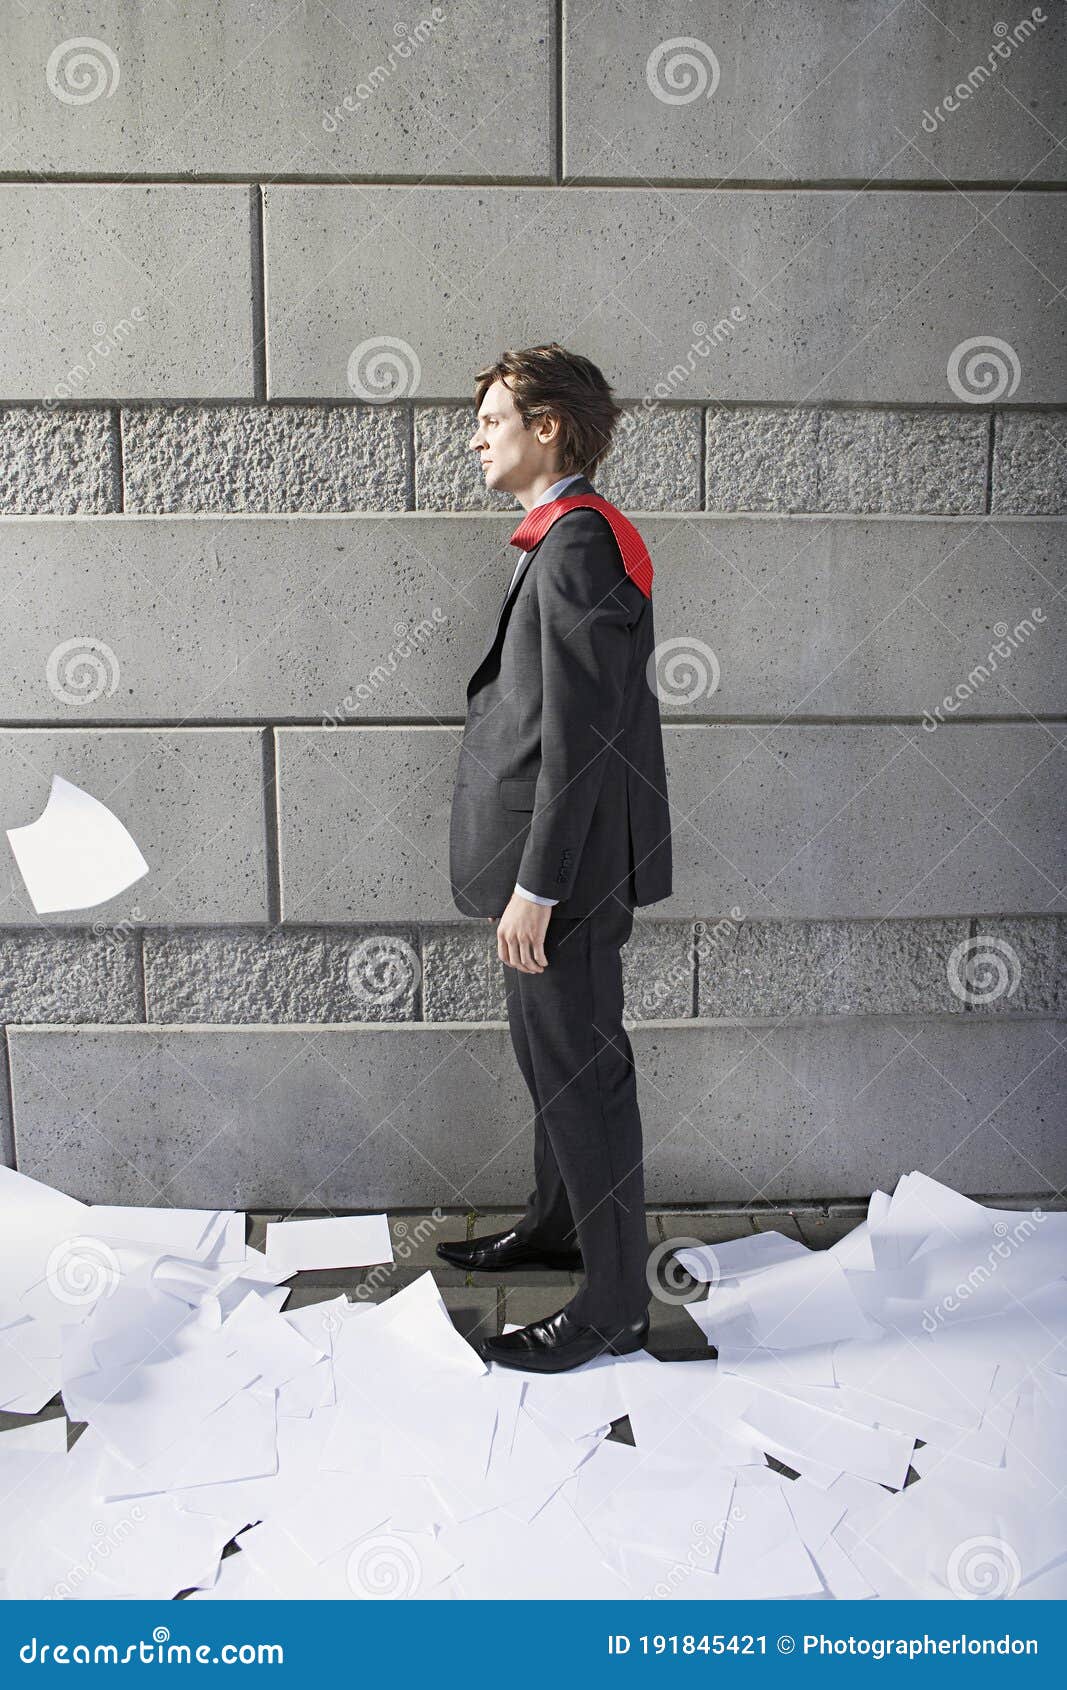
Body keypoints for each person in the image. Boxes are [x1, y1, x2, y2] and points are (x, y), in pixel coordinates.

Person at [440, 343, 673, 1373]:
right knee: (549, 1064)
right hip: (547, 876)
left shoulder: (578, 544)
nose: (475, 437)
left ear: (548, 426)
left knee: (582, 1076)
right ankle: (554, 1222)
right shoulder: (560, 538)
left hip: (561, 883)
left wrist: (535, 887)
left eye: (491, 419)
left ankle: (615, 1304)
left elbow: (584, 740)